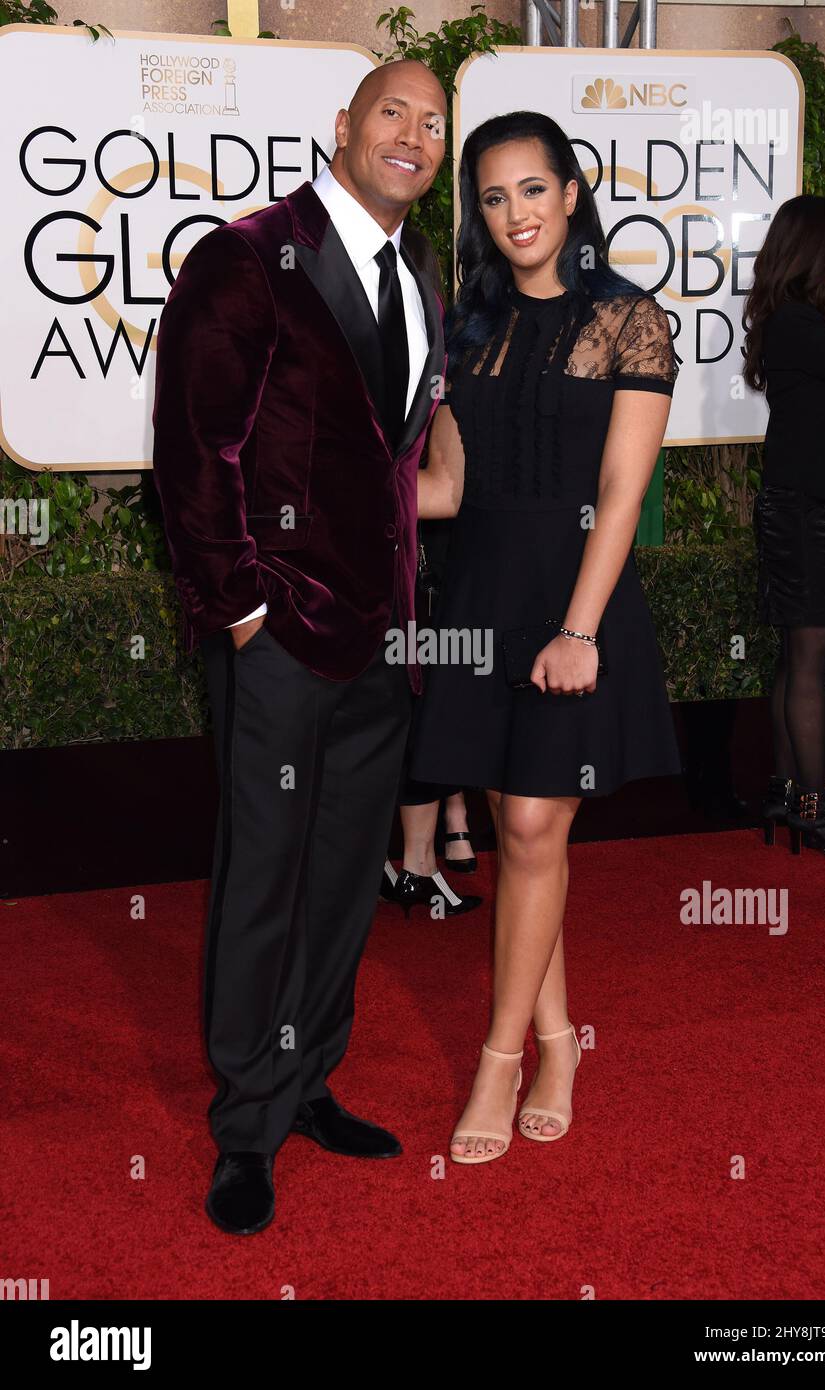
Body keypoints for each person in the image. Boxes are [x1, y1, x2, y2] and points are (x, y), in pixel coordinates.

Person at [151, 58, 447, 1232]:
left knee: (341, 880)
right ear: (342, 127)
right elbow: (193, 450)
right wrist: (241, 611)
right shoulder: (247, 256)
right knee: (264, 879)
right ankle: (246, 1125)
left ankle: (310, 1073)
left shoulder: (420, 270)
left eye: (434, 122)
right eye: (394, 112)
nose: (415, 135)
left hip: (384, 643)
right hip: (280, 640)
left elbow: (395, 455)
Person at [411, 111, 680, 1164]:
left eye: (533, 188)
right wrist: (330, 496)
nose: (515, 212)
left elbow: (622, 490)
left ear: (572, 194)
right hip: (480, 597)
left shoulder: (630, 320)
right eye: (492, 196)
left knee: (528, 825)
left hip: (578, 596)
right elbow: (447, 485)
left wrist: (580, 628)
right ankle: (562, 1042)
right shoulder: (465, 330)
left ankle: (499, 1060)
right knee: (529, 840)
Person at [742, 195, 825, 857]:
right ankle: (813, 808)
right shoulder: (797, 323)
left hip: (803, 509)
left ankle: (787, 793)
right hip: (801, 514)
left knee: (797, 659)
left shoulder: (800, 320)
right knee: (807, 666)